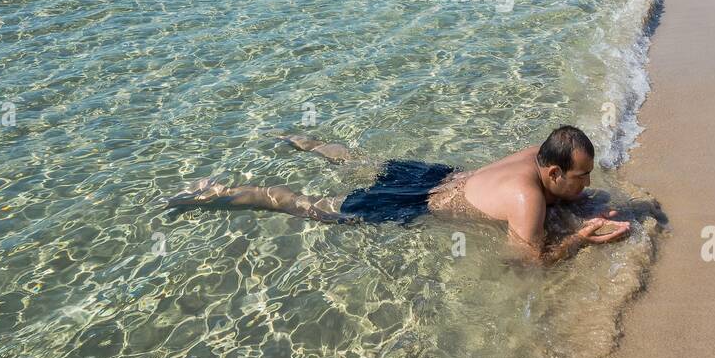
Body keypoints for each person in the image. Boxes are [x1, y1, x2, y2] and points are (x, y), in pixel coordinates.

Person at [167, 125, 631, 265]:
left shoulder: (537, 153)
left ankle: (296, 139)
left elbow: (559, 193)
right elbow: (526, 264)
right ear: (553, 171)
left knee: (352, 159)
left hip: (438, 176)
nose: (586, 184)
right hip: (419, 201)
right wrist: (580, 239)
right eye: (582, 177)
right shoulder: (528, 200)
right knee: (316, 209)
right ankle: (222, 194)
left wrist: (577, 202)